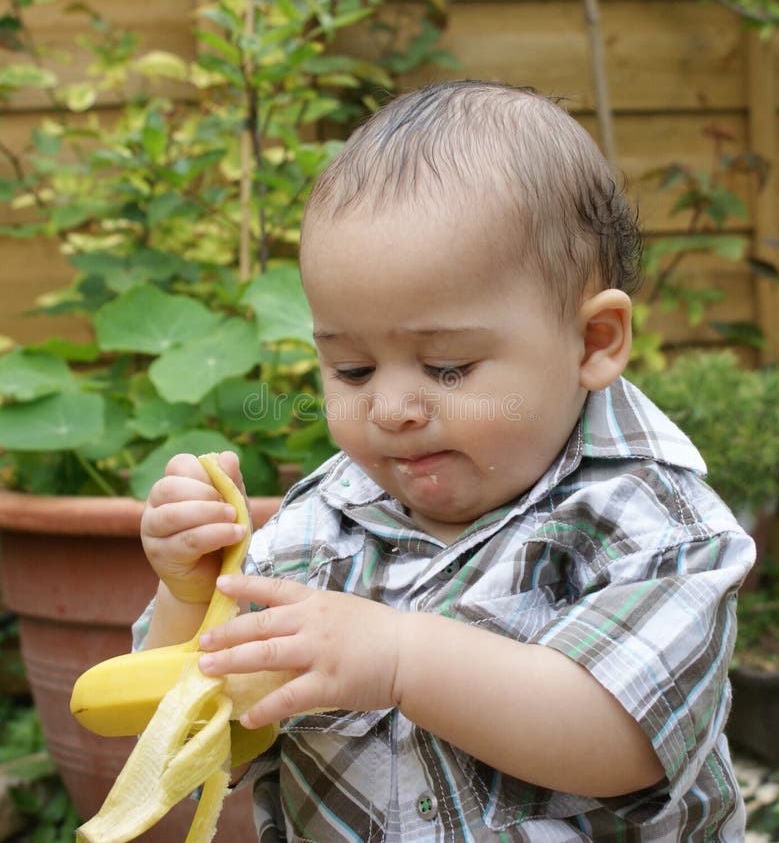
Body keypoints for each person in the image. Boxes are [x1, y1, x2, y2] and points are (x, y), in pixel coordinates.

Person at [136, 80, 755, 841]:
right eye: (353, 371)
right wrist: (191, 599)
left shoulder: (652, 526)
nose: (390, 408)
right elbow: (190, 735)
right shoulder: (314, 527)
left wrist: (399, 658)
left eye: (449, 368)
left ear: (593, 342)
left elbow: (621, 742)